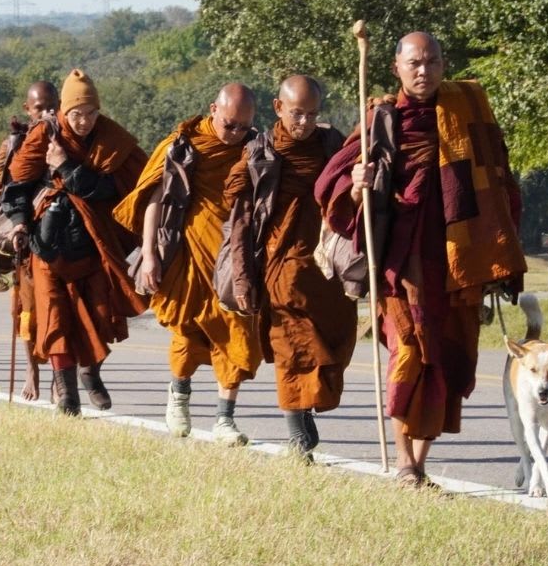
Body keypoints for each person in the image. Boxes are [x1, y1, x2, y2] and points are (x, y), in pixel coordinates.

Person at [316, 32, 526, 486]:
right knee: (408, 351)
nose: (423, 71)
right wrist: (357, 184)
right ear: (397, 68)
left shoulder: (467, 110)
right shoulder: (382, 119)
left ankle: (422, 461)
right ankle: (405, 461)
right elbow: (330, 186)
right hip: (402, 258)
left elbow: (498, 176)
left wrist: (498, 246)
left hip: (458, 258)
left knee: (448, 355)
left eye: (432, 62)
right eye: (414, 63)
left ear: (443, 64)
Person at [114, 84, 261, 445]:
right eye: (229, 124)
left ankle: (224, 420)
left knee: (239, 330)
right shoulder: (183, 146)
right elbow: (155, 198)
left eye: (243, 127)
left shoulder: (255, 148)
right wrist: (148, 254)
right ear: (213, 109)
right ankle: (179, 396)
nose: (235, 134)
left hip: (235, 256)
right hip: (189, 252)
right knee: (187, 329)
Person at [221, 75, 356, 458]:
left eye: (312, 114)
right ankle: (297, 430)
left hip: (328, 266)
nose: (304, 123)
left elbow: (355, 183)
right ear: (279, 108)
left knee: (334, 343)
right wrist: (244, 280)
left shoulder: (333, 145)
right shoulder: (260, 154)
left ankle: (305, 409)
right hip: (281, 269)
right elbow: (242, 222)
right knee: (291, 347)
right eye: (297, 114)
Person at [2, 70, 147, 415]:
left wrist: (67, 168)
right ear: (63, 112)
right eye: (76, 114)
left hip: (94, 246)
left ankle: (90, 373)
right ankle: (67, 394)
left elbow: (119, 191)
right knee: (54, 319)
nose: (84, 121)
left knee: (97, 317)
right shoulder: (44, 136)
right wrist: (20, 223)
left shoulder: (114, 141)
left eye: (91, 113)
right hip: (47, 248)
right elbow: (17, 187)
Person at [0, 80, 59, 401]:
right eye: (39, 108)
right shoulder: (13, 145)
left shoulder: (68, 138)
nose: (47, 113)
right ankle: (31, 369)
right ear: (27, 109)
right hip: (23, 237)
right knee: (27, 310)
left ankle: (61, 373)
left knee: (64, 309)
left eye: (53, 106)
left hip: (60, 236)